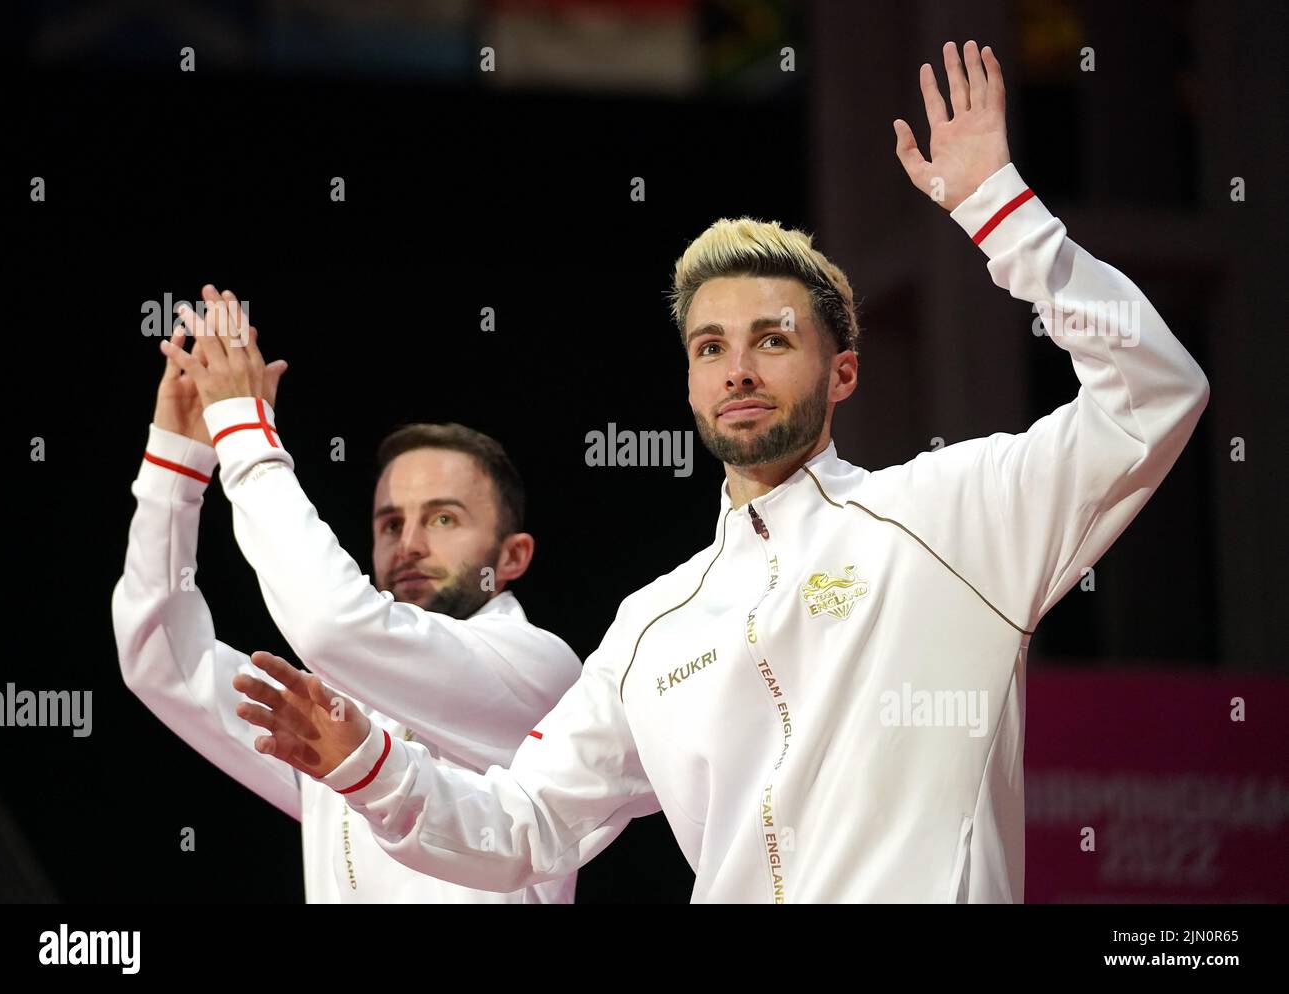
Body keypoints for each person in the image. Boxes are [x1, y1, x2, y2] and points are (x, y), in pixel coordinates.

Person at [230, 41, 1209, 902]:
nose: (735, 367)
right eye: (708, 346)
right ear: (690, 384)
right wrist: (369, 762)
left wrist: (1004, 213)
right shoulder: (653, 625)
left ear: (843, 372)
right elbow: (523, 827)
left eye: (770, 339)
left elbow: (1154, 393)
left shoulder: (954, 515)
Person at [114, 298, 582, 902]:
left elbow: (333, 625)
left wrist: (242, 427)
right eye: (390, 524)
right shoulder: (334, 703)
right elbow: (161, 657)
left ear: (513, 555)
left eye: (443, 518)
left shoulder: (541, 672)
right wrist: (174, 468)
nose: (409, 544)